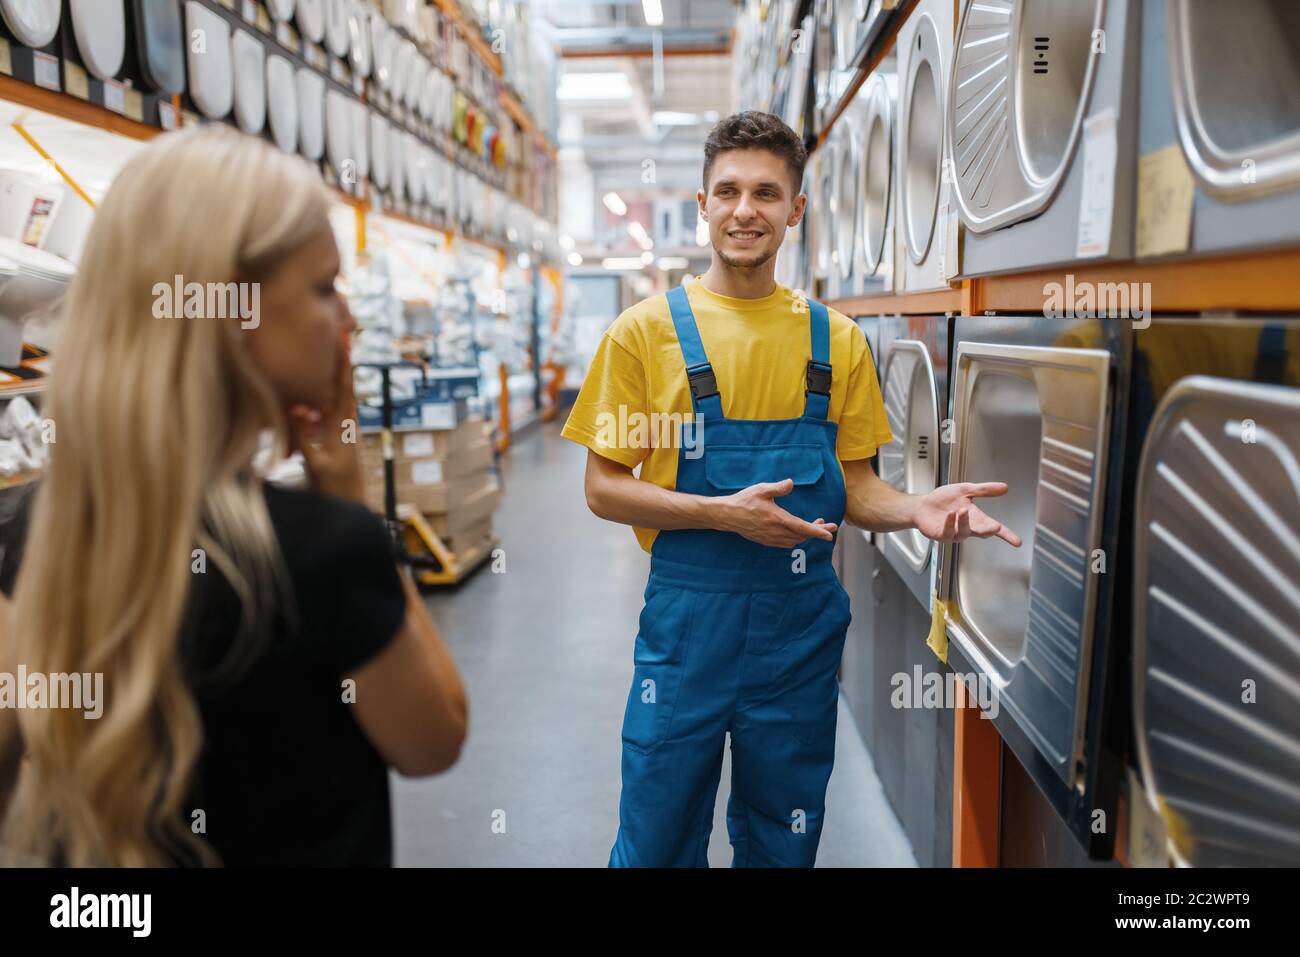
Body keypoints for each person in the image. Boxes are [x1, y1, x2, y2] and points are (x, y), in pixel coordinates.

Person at [561, 111, 1022, 867]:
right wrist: (722, 514)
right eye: (730, 191)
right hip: (686, 629)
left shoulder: (835, 340)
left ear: (797, 209)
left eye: (767, 194)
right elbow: (604, 488)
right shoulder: (642, 334)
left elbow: (856, 486)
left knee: (787, 835)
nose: (747, 210)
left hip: (798, 626)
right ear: (703, 203)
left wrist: (914, 508)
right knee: (655, 835)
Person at [0, 125, 467, 867]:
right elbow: (433, 738)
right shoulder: (322, 550)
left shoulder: (26, 535)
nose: (346, 319)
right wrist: (349, 494)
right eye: (322, 287)